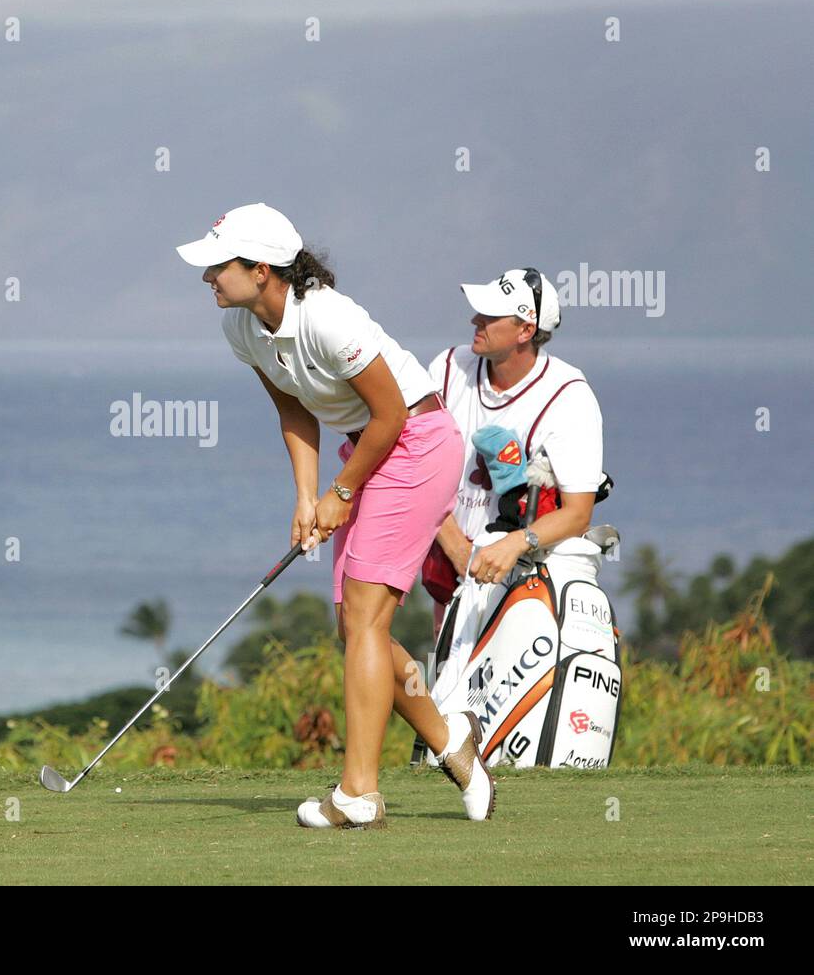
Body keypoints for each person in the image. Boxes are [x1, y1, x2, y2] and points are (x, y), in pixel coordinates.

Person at [175, 202, 495, 827]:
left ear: (262, 269)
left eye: (218, 266)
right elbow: (294, 411)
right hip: (369, 450)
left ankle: (359, 794)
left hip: (417, 444)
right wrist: (305, 495)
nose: (207, 277)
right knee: (354, 627)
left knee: (366, 620)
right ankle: (450, 738)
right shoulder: (241, 327)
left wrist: (340, 493)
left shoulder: (327, 318)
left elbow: (392, 415)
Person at [416, 268, 608, 712]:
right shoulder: (448, 368)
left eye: (490, 315)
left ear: (526, 329)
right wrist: (455, 547)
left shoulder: (569, 396)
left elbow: (579, 513)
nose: (475, 321)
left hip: (528, 576)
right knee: (450, 688)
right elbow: (418, 466)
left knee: (505, 703)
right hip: (451, 566)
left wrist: (512, 546)